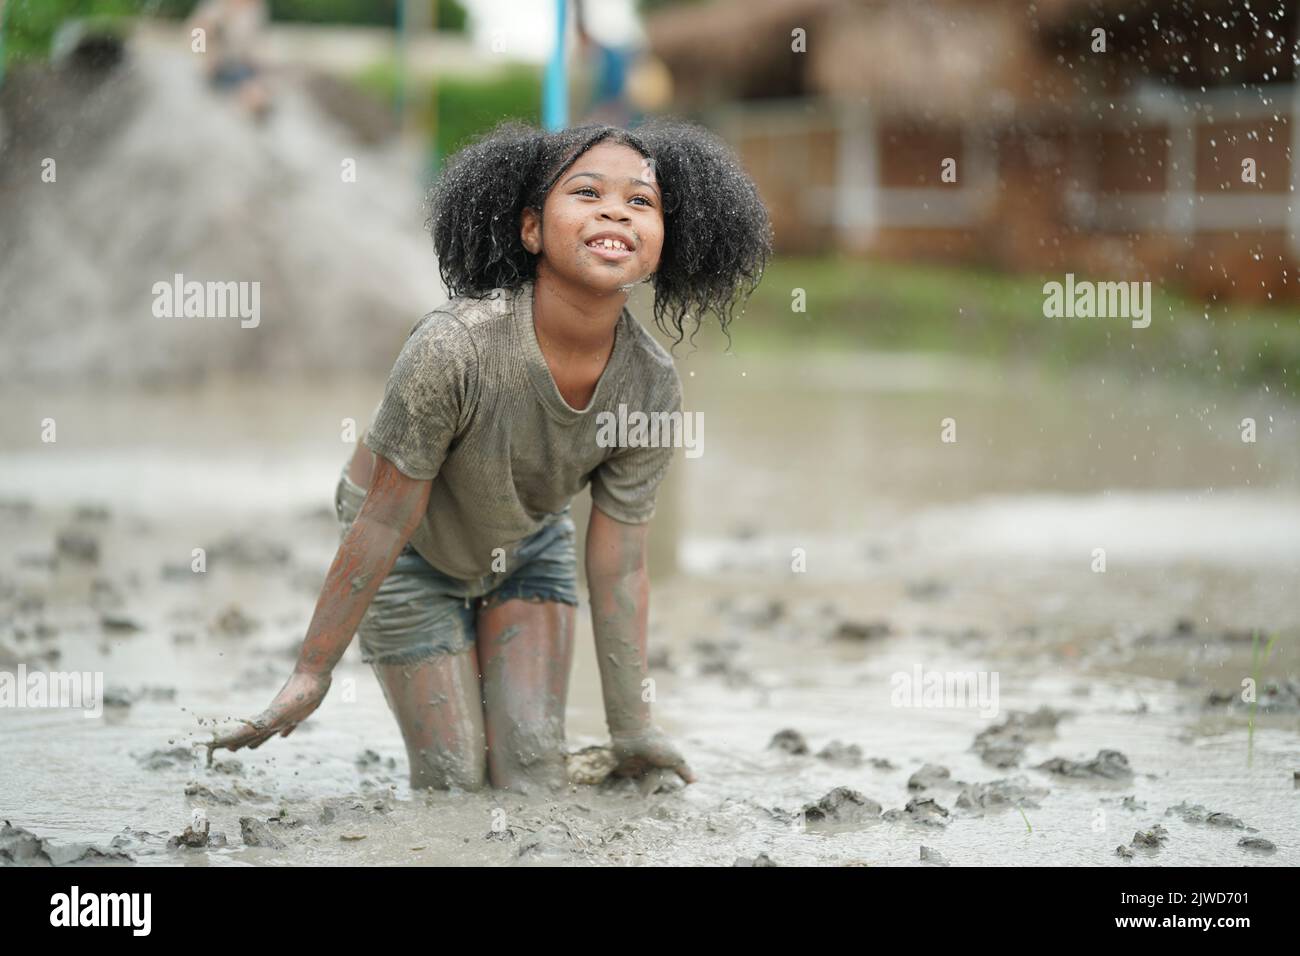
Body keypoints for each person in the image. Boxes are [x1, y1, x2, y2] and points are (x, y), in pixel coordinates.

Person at [207, 120, 772, 793]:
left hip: (526, 545)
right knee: (452, 782)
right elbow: (384, 523)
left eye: (641, 202)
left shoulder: (650, 385)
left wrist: (632, 727)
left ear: (662, 247)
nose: (615, 210)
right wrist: (311, 672)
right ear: (532, 230)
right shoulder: (454, 349)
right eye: (586, 193)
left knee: (530, 775)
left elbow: (619, 567)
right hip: (410, 553)